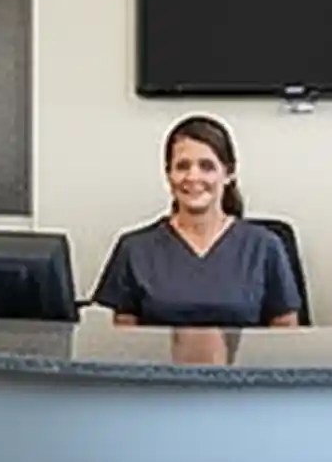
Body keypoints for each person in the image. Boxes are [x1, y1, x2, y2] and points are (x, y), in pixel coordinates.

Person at [91, 115, 302, 328]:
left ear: (228, 174)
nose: (193, 177)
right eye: (182, 166)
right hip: (156, 362)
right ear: (168, 175)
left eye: (207, 167)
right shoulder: (134, 249)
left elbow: (284, 342)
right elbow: (124, 344)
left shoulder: (265, 247)